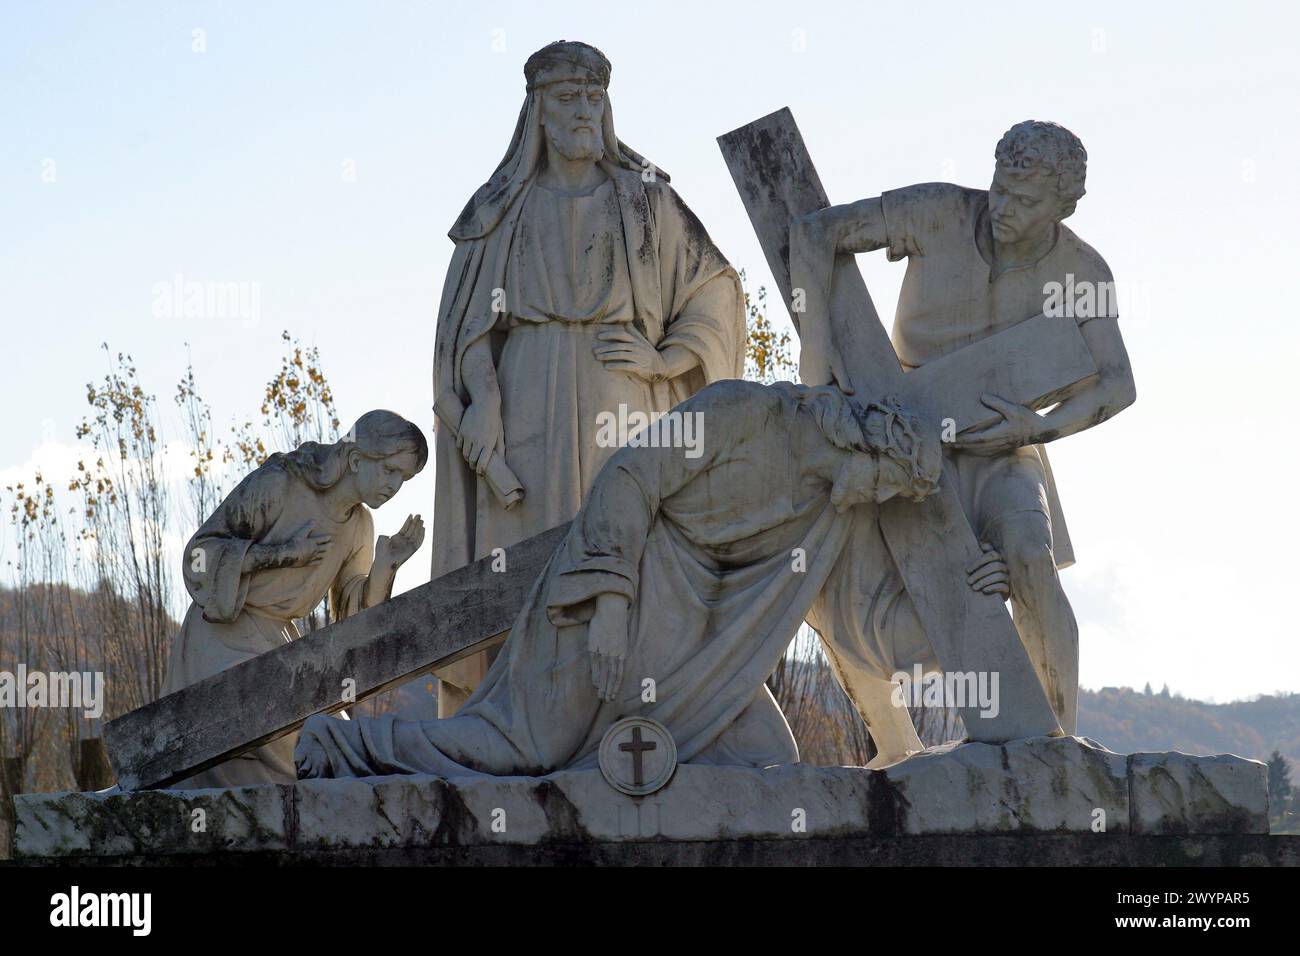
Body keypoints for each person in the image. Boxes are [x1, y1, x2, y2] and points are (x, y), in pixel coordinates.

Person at [295, 380, 1007, 780]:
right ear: (863, 438)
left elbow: (863, 624)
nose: (873, 496)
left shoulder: (829, 508)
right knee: (523, 749)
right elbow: (630, 476)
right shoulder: (744, 412)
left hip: (696, 649)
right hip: (617, 590)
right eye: (881, 480)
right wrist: (609, 603)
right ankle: (346, 746)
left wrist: (974, 601)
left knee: (767, 760)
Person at [430, 40, 746, 714]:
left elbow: (716, 288)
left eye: (593, 98)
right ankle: (520, 718)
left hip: (623, 397)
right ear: (538, 112)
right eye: (568, 98)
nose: (582, 111)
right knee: (524, 566)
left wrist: (668, 358)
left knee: (625, 542)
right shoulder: (499, 210)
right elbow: (466, 331)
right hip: (525, 406)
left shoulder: (647, 201)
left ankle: (627, 713)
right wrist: (483, 397)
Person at [791, 120, 1136, 733]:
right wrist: (815, 377)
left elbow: (1118, 383)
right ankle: (892, 741)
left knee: (1030, 554)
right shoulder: (938, 211)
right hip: (901, 438)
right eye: (1000, 188)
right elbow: (817, 232)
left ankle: (1061, 747)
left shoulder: (1083, 271)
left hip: (1007, 449)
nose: (1003, 208)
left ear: (1064, 206)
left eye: (1026, 201)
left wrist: (1039, 429)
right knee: (847, 581)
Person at [164, 410, 427, 787]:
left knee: (332, 742)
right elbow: (199, 556)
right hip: (222, 635)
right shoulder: (280, 484)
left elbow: (351, 617)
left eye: (403, 478)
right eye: (389, 471)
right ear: (355, 459)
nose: (394, 486)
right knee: (288, 739)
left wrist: (386, 566)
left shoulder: (359, 526)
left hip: (278, 645)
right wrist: (284, 553)